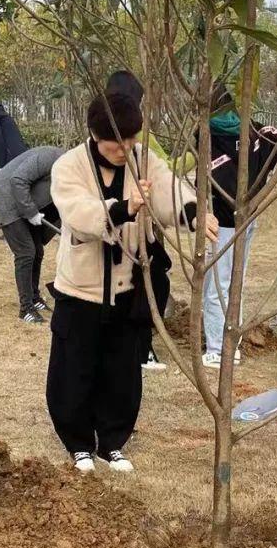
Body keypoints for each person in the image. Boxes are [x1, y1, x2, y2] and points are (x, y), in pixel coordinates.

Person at [47, 92, 217, 473]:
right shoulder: (68, 166)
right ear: (94, 134)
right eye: (115, 143)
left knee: (122, 371)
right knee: (74, 370)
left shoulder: (142, 160)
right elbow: (77, 212)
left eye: (131, 140)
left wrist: (192, 211)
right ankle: (78, 443)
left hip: (127, 288)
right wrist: (122, 210)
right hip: (81, 290)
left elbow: (168, 188)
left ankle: (112, 441)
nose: (125, 150)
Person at [200, 85, 277, 368]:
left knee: (217, 286)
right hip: (248, 216)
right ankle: (229, 345)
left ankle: (218, 348)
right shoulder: (253, 130)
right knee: (233, 281)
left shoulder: (207, 137)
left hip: (224, 223)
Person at [105, 69, 173, 372]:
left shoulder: (141, 139)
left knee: (152, 278)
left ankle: (137, 347)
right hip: (121, 226)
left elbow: (161, 172)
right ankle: (140, 349)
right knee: (146, 283)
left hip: (138, 225)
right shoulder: (123, 139)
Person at [0, 145, 62, 324]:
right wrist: (31, 212)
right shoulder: (51, 157)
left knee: (38, 251)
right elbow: (18, 179)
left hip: (26, 202)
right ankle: (25, 308)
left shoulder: (71, 174)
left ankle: (35, 298)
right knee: (26, 252)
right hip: (5, 198)